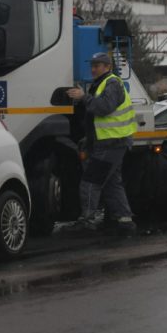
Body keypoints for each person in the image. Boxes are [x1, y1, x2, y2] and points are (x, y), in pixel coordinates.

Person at [64, 51, 137, 236]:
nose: (94, 69)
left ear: (108, 67)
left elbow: (104, 108)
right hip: (110, 142)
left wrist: (83, 97)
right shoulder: (101, 84)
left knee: (90, 182)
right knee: (112, 183)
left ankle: (87, 221)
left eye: (97, 66)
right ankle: (125, 221)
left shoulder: (112, 83)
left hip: (112, 142)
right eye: (92, 65)